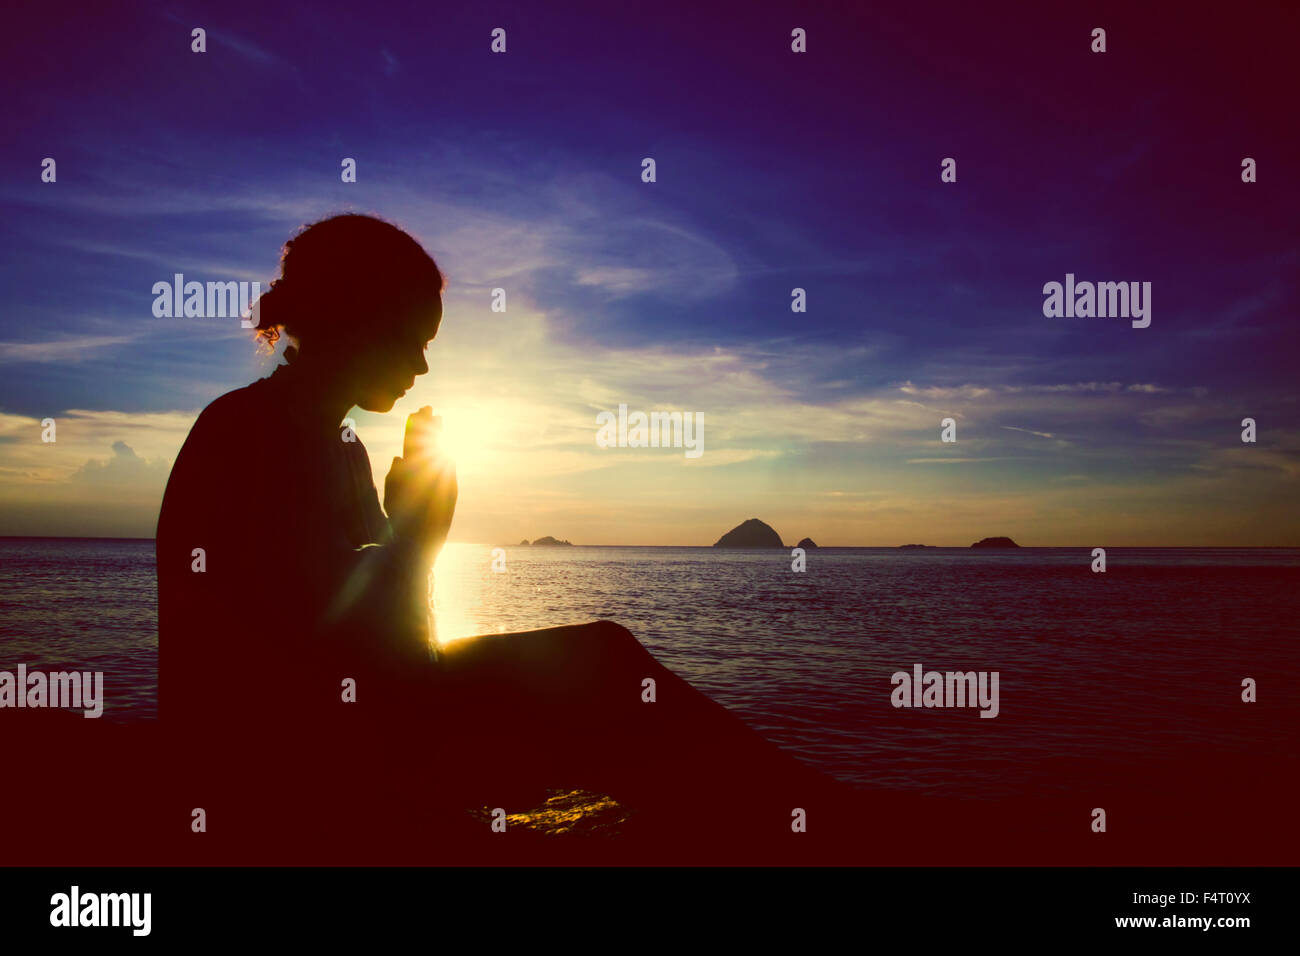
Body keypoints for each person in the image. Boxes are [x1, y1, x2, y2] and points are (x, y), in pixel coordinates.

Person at [155, 214, 847, 860]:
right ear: (350, 316)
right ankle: (816, 826)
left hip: (342, 731)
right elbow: (325, 659)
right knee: (598, 665)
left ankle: (789, 815)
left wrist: (404, 528)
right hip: (285, 769)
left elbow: (383, 642)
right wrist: (420, 534)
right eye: (412, 339)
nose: (422, 367)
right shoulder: (249, 436)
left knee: (599, 657)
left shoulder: (336, 447)